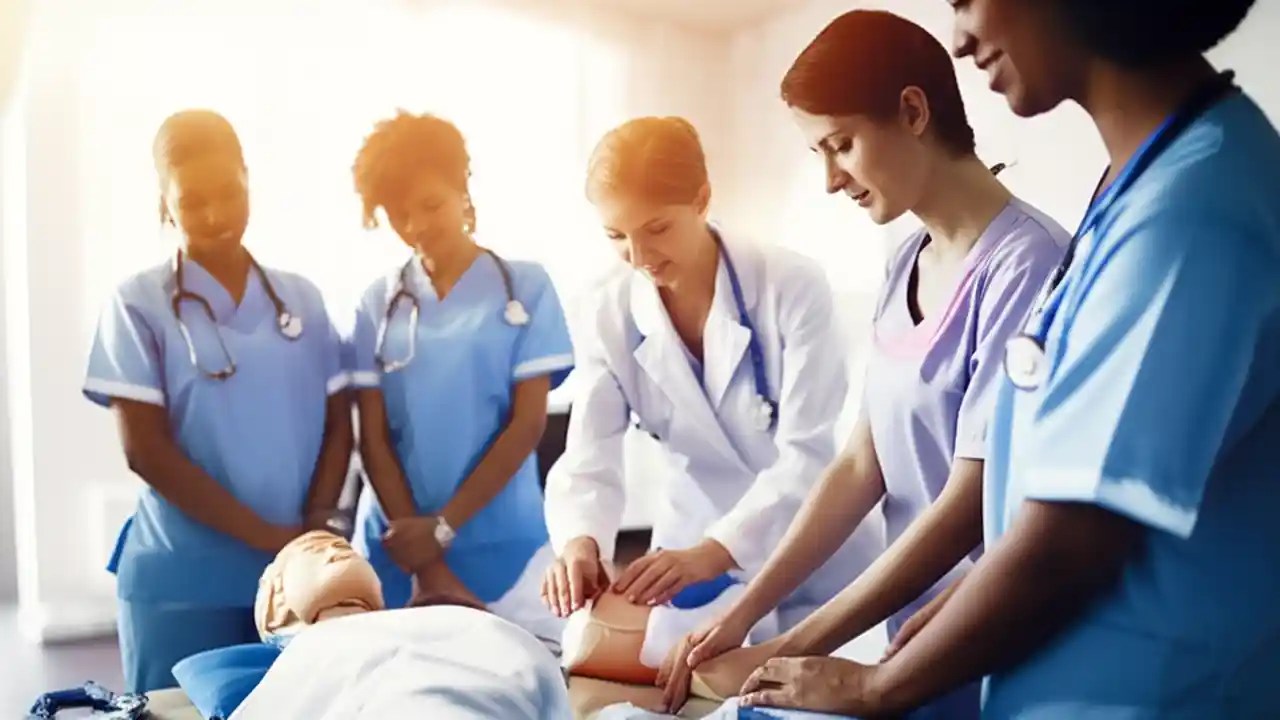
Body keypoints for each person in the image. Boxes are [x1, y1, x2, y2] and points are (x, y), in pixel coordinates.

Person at [735, 1, 1280, 717]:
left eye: (967, 1)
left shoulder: (1191, 210)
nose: (959, 40)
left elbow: (1074, 535)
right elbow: (1049, 492)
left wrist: (874, 683)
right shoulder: (1138, 191)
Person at [661, 11, 1071, 717]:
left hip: (985, 641)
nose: (829, 179)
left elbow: (969, 504)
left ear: (912, 111)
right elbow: (860, 463)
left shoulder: (1029, 265)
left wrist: (789, 649)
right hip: (903, 641)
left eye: (841, 145)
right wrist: (745, 614)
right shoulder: (905, 261)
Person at [542, 116, 880, 680]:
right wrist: (580, 541)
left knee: (816, 690)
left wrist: (718, 550)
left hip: (816, 549)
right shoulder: (608, 312)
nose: (639, 255)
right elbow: (590, 454)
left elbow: (808, 455)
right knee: (678, 687)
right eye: (616, 236)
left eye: (656, 228)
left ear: (701, 200)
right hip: (690, 548)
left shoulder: (790, 286)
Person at [82, 110, 353, 692]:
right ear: (164, 202)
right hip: (184, 579)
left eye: (229, 192)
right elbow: (144, 450)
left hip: (294, 581)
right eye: (192, 200)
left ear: (248, 179)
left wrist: (310, 533)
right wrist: (272, 539)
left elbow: (339, 424)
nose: (215, 215)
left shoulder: (301, 299)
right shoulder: (137, 304)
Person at [345, 111, 574, 644]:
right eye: (399, 215)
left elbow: (527, 424)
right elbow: (372, 439)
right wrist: (426, 560)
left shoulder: (526, 287)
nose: (417, 226)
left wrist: (444, 527)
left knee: (531, 678)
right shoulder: (377, 302)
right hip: (398, 551)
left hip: (506, 547)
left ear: (462, 190)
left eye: (431, 205)